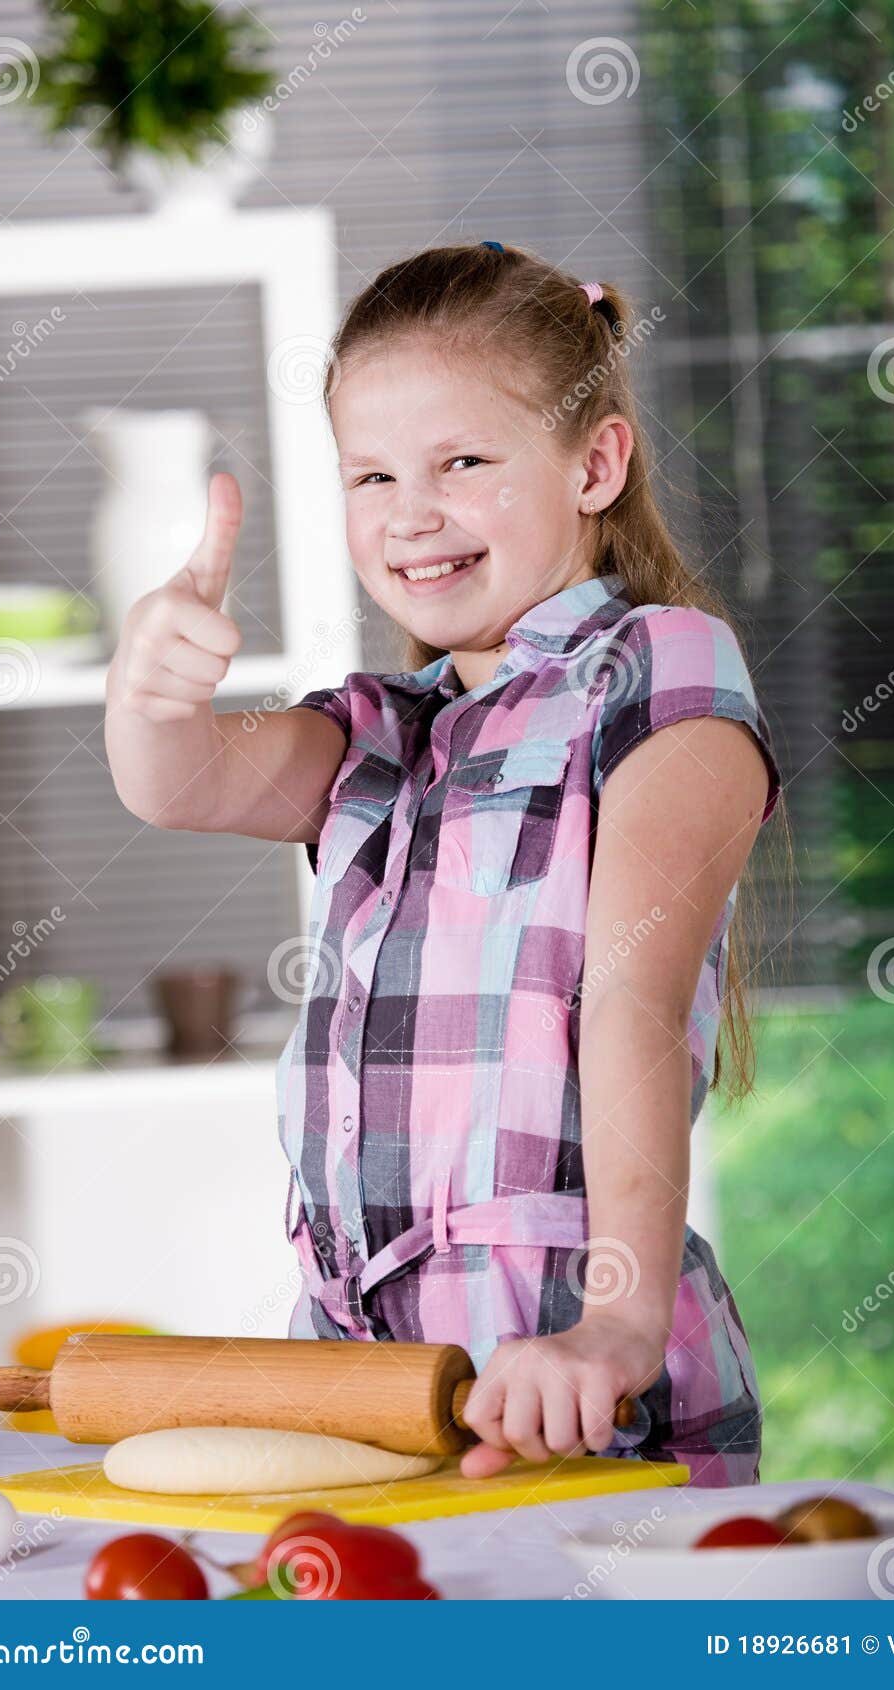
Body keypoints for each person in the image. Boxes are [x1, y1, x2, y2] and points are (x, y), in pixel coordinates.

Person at [105, 240, 787, 1487]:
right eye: (371, 474)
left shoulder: (654, 670)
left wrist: (617, 1320)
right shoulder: (381, 728)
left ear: (593, 465)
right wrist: (149, 692)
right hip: (364, 1387)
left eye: (462, 462)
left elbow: (630, 1002)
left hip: (567, 1373)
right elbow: (178, 780)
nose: (409, 513)